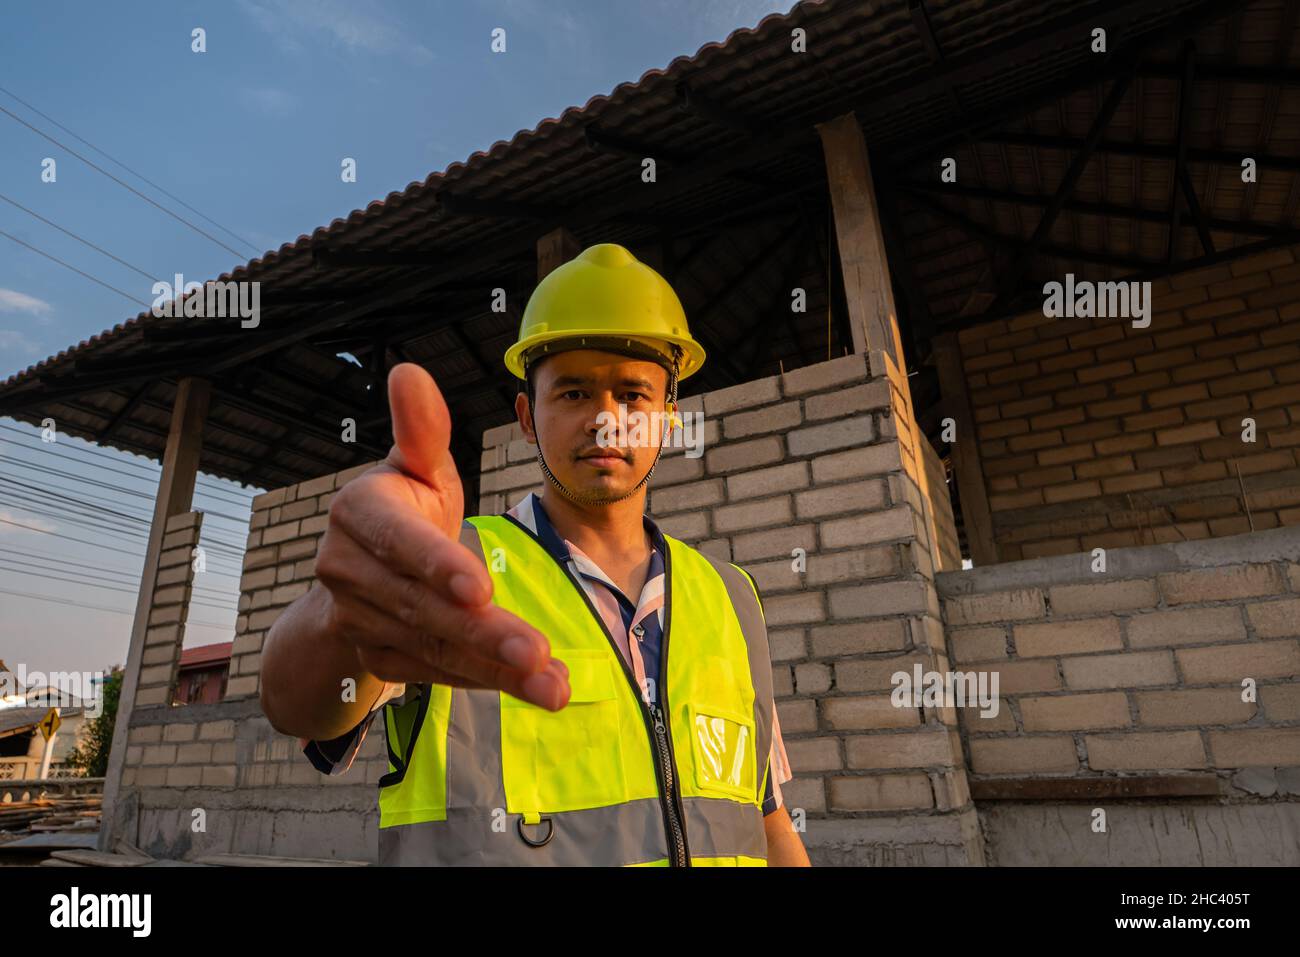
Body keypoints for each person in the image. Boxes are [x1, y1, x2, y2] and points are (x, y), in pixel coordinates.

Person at [262, 243, 810, 866]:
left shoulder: (732, 598)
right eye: (574, 393)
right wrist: (340, 614)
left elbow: (764, 818)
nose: (606, 421)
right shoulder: (452, 570)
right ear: (527, 416)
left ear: (669, 419)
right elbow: (296, 704)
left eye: (633, 395)